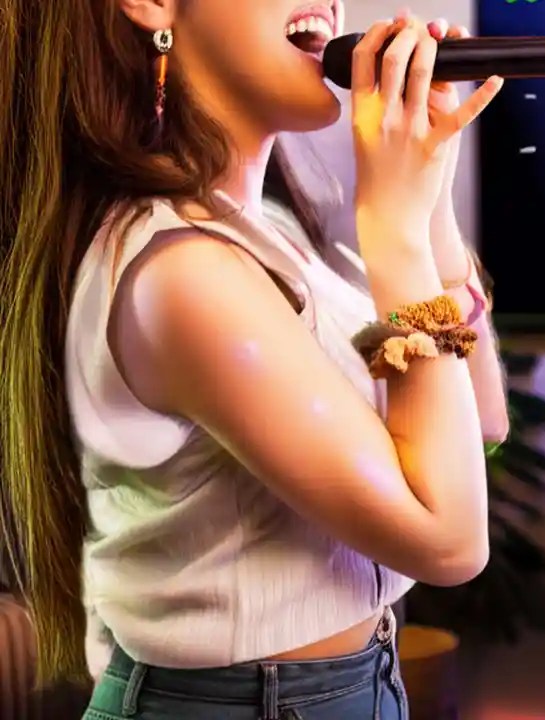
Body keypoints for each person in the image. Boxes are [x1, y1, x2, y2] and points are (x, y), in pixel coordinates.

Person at [0, 0, 509, 716]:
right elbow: (450, 541)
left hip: (346, 689)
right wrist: (393, 235)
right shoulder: (180, 277)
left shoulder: (269, 239)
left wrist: (428, 215)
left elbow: (478, 421)